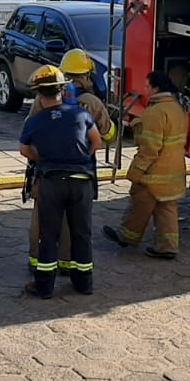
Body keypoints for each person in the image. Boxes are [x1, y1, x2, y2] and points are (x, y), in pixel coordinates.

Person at [19, 66, 102, 298]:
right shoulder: (81, 115)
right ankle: (84, 284)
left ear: (39, 94)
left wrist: (42, 158)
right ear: (62, 91)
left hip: (52, 182)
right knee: (82, 233)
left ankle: (44, 287)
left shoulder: (35, 121)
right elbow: (97, 142)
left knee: (49, 234)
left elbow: (24, 149)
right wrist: (83, 157)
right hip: (81, 181)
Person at [28, 49, 115, 265]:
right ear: (87, 75)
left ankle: (37, 260)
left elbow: (29, 134)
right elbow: (108, 135)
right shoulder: (92, 102)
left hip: (46, 170)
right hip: (79, 172)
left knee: (42, 215)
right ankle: (67, 261)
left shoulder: (43, 99)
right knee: (72, 218)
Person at [104, 70, 188, 260]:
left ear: (156, 89)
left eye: (147, 86)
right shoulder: (177, 108)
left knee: (140, 202)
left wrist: (135, 172)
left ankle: (126, 237)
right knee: (166, 208)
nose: (144, 89)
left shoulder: (155, 112)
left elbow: (150, 149)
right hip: (174, 171)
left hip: (154, 174)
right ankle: (168, 246)